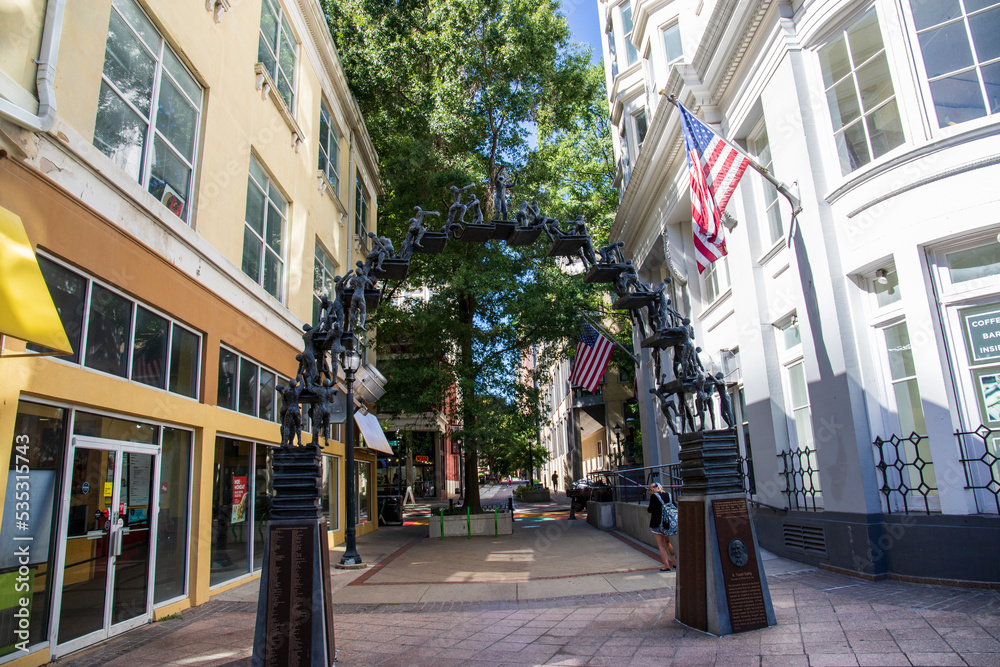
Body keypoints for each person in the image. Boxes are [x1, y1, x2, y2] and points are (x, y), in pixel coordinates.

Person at [647, 483, 677, 571]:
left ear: (652, 489)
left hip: (657, 523)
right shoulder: (668, 495)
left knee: (661, 545)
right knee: (668, 543)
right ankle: (674, 564)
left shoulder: (654, 497)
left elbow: (650, 510)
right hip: (668, 523)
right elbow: (674, 506)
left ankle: (667, 566)